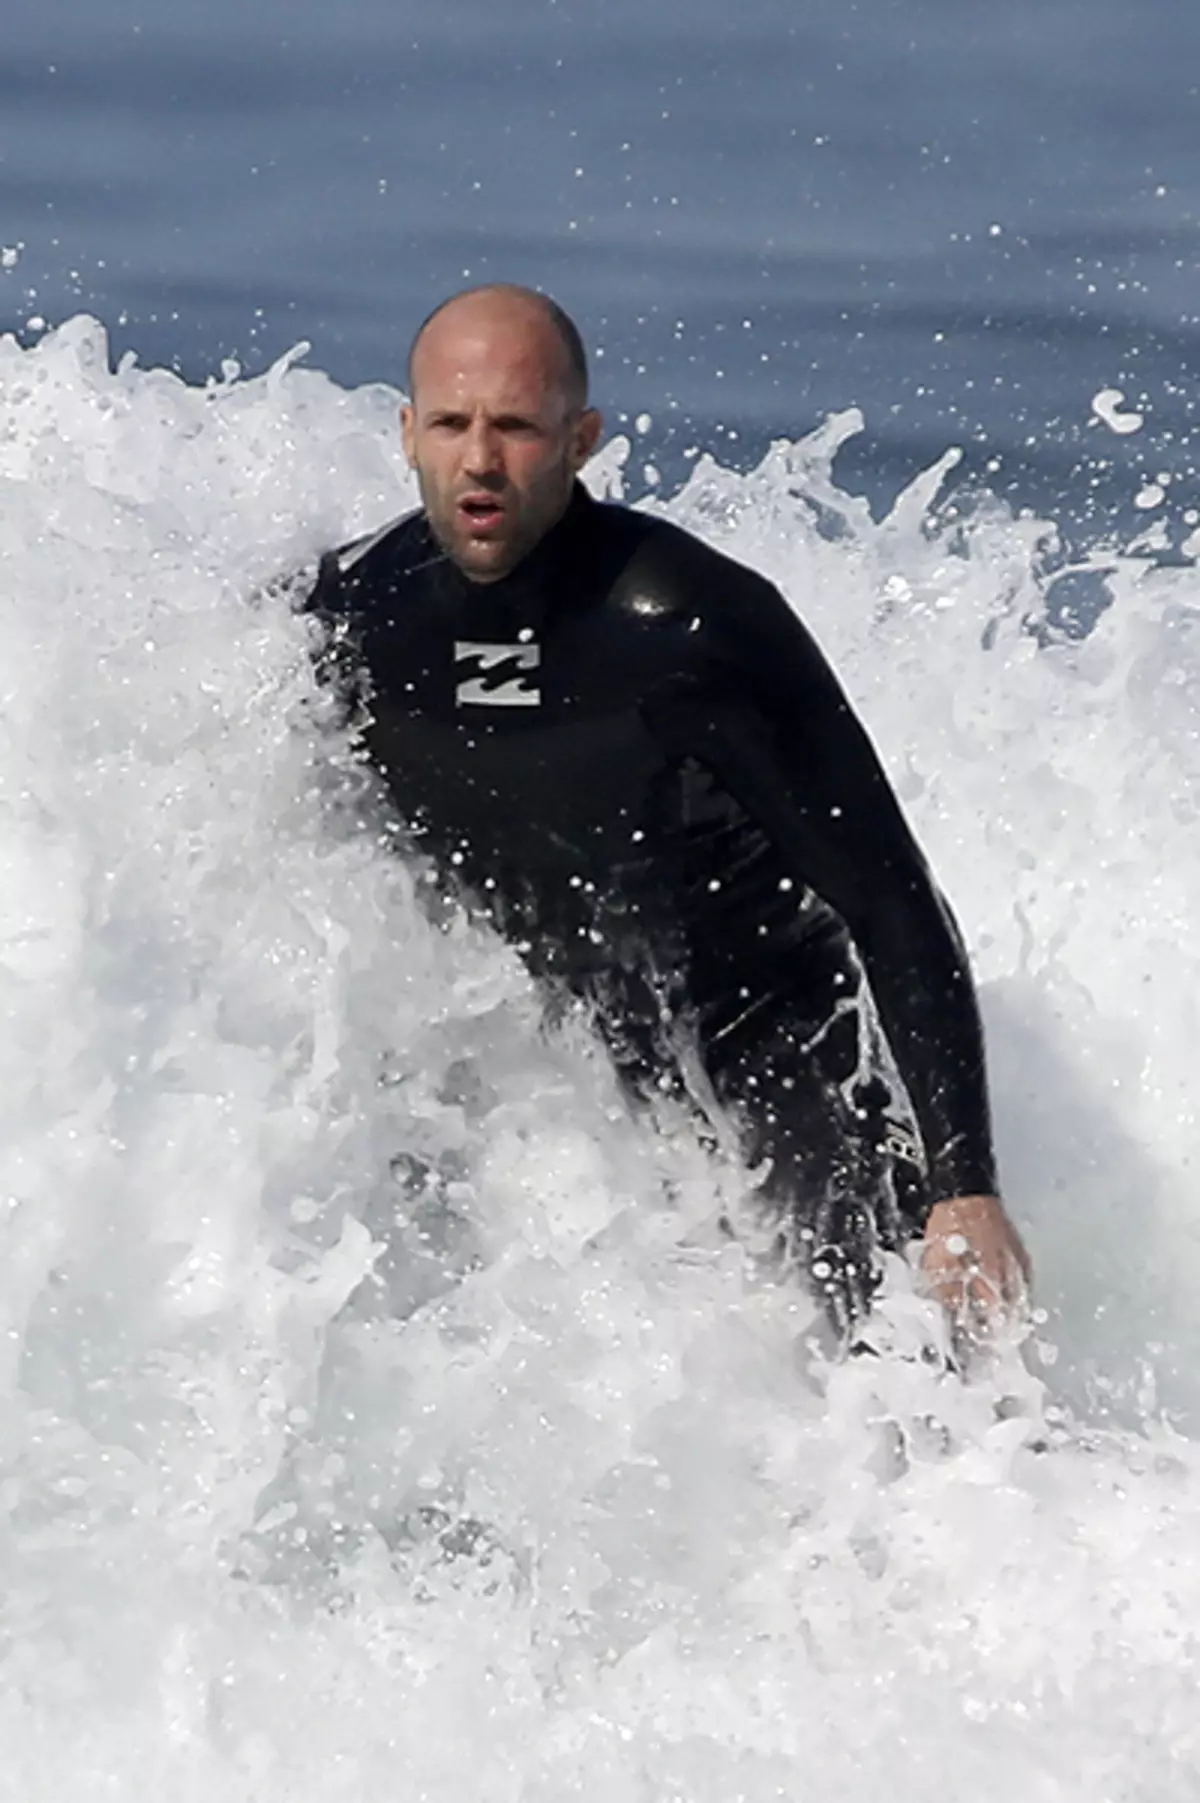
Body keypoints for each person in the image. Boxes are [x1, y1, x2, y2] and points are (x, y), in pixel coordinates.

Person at [305, 282, 1030, 1340]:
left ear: (581, 438)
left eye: (515, 426)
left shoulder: (690, 626)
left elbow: (888, 899)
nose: (479, 462)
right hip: (541, 1071)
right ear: (408, 433)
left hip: (768, 1057)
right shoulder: (358, 615)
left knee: (891, 1370)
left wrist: (964, 1186)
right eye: (452, 425)